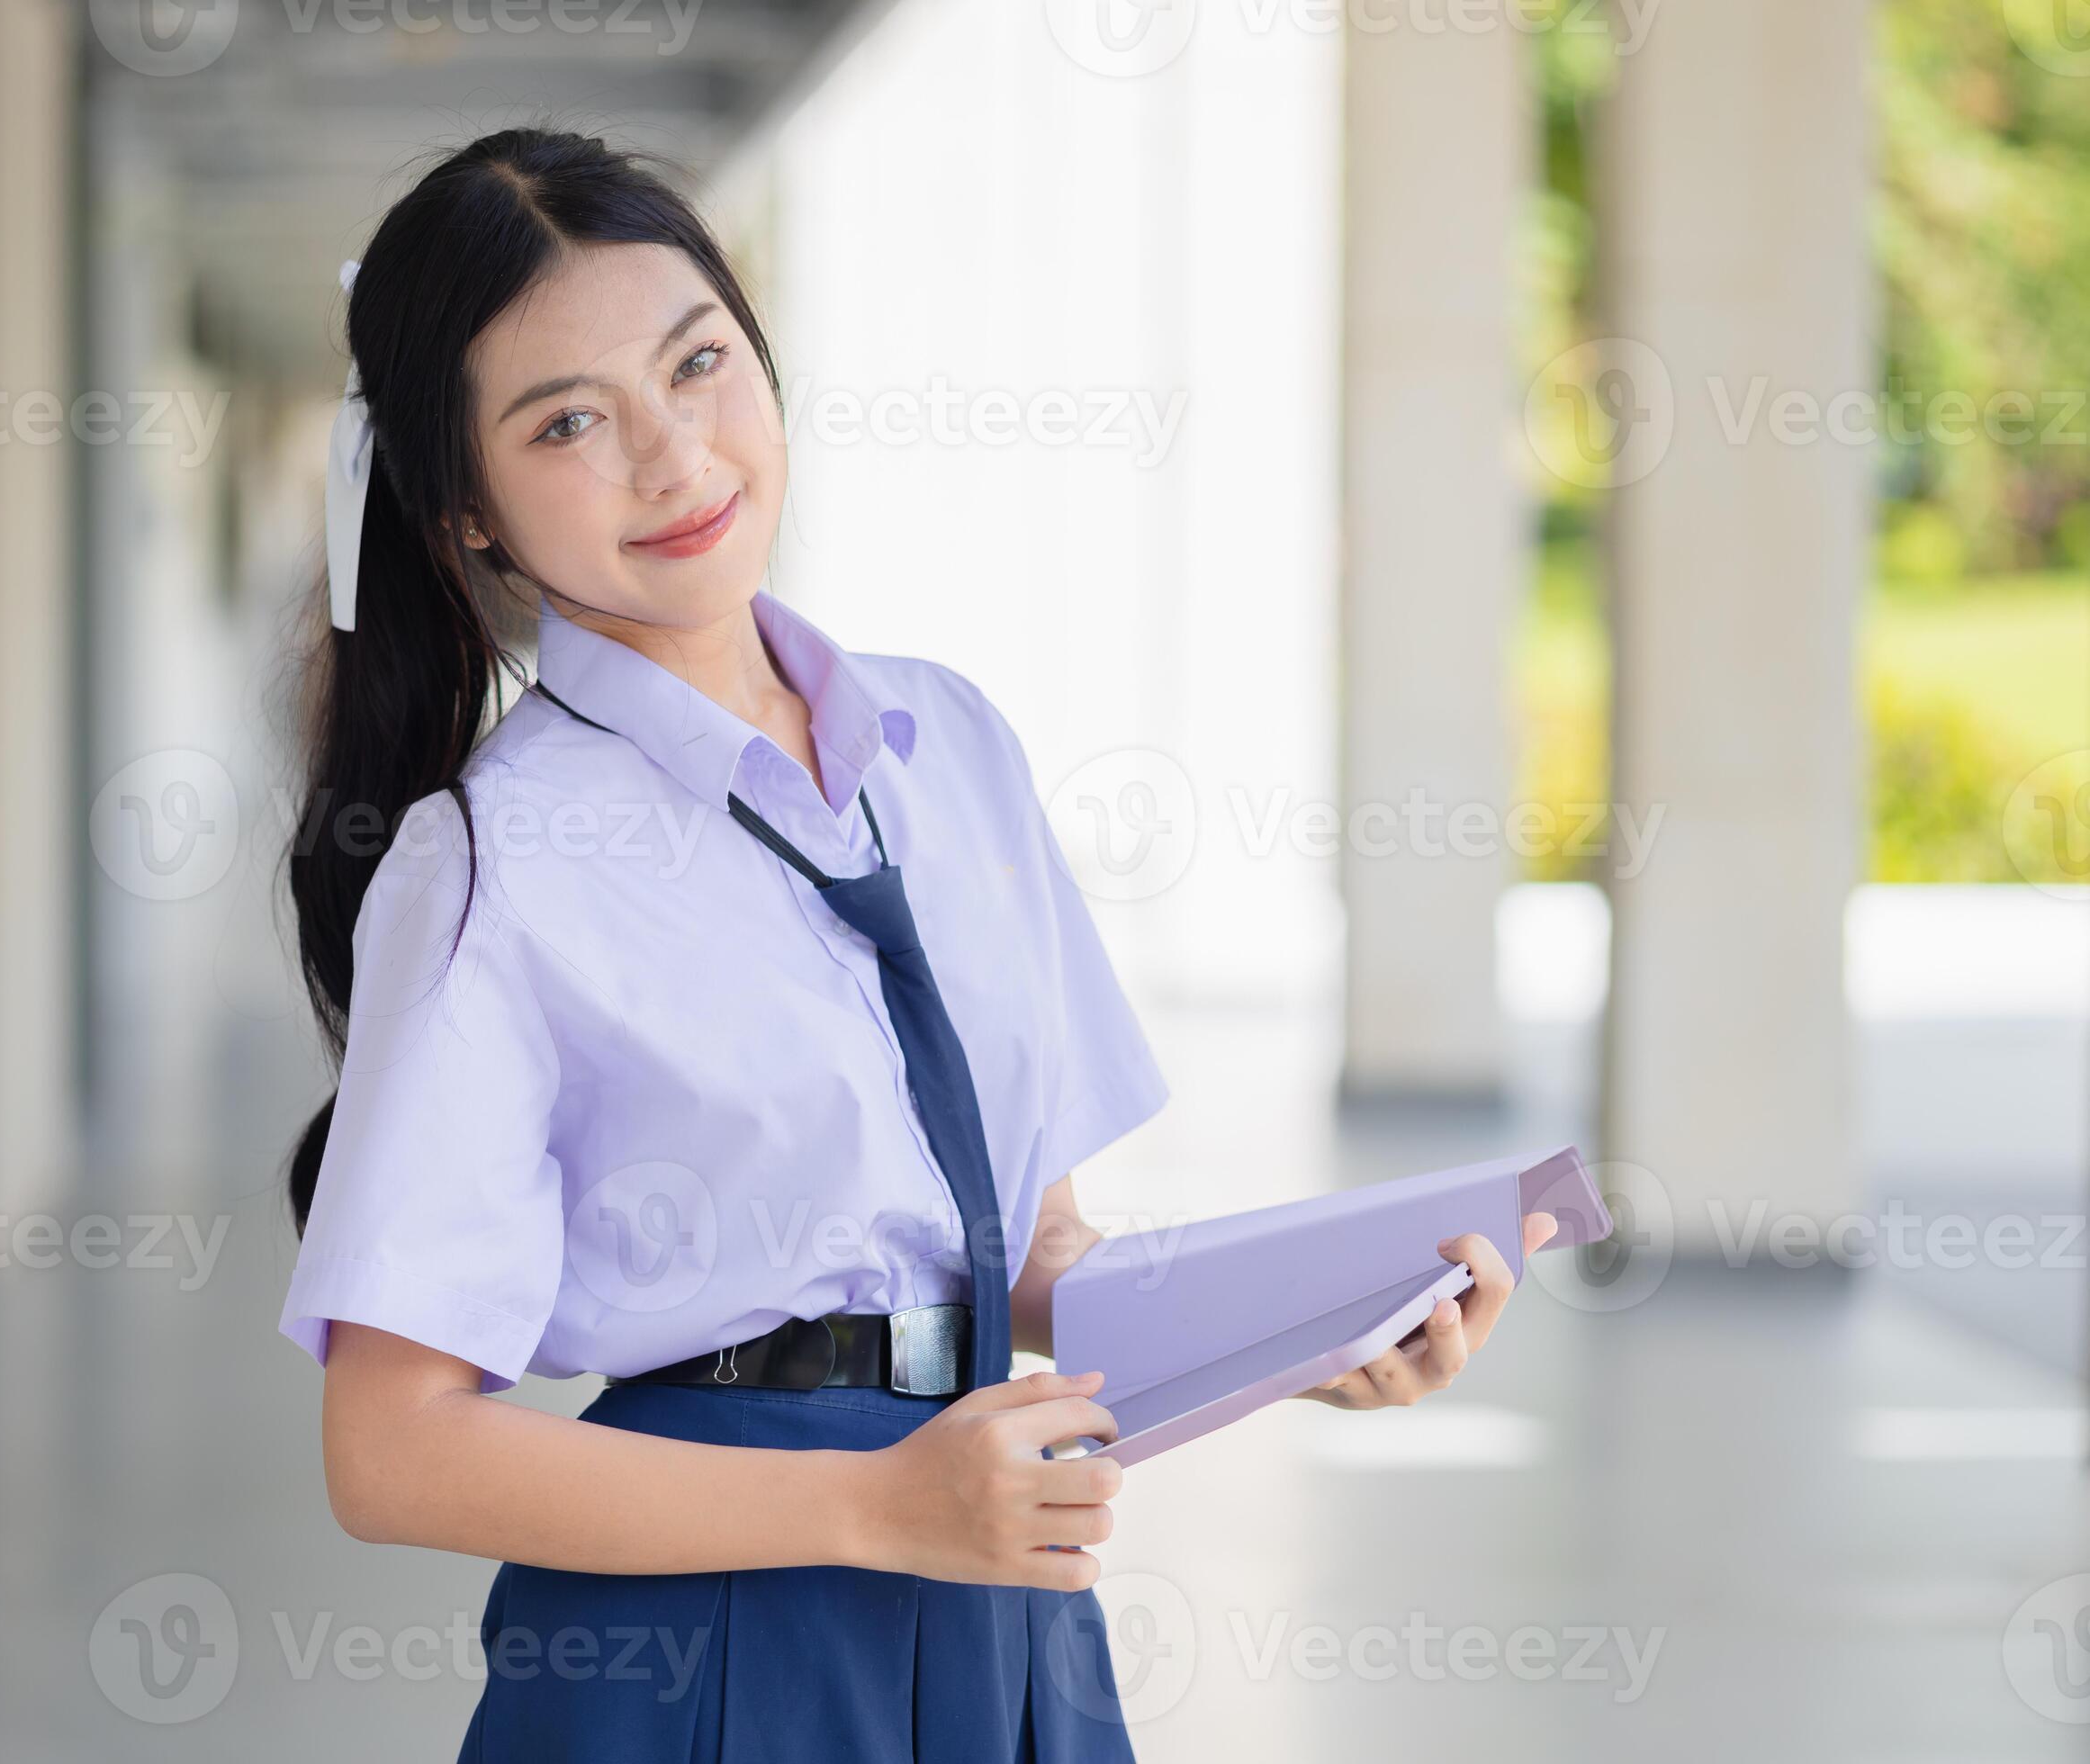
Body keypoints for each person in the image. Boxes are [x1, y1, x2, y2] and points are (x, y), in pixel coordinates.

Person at [275, 124, 1551, 1762]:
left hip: (1002, 1578)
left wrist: (1303, 1332)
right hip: (710, 1636)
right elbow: (391, 1454)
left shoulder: (948, 749)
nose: (674, 456)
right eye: (569, 422)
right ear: (467, 511)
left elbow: (1021, 1253)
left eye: (698, 364)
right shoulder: (490, 864)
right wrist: (875, 1507)